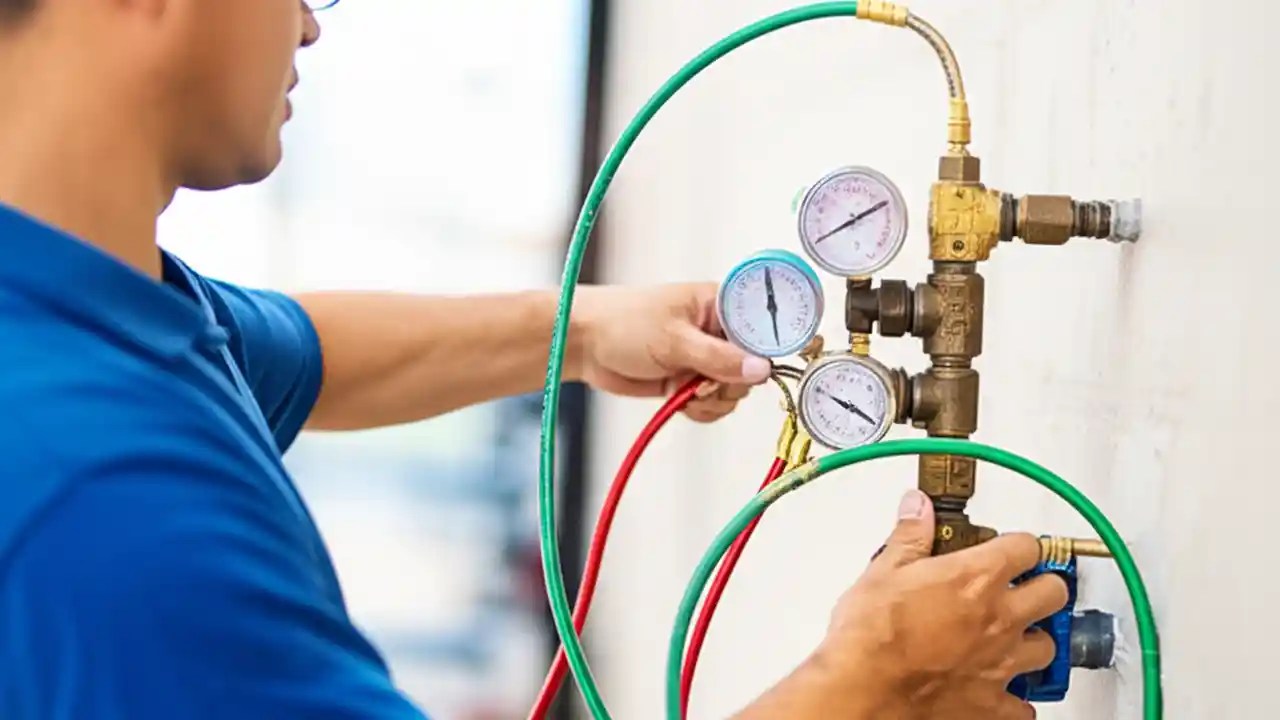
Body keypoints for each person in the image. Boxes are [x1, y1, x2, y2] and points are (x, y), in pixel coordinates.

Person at [0, 2, 1066, 719]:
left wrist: (587, 330)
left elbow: (291, 353)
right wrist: (867, 680)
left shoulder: (78, 305)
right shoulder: (105, 500)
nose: (312, 21)